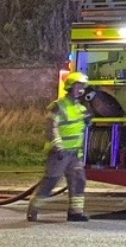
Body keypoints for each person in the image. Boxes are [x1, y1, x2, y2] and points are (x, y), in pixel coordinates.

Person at [26, 71, 92, 222]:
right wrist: (57, 145)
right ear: (70, 86)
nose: (81, 89)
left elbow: (79, 127)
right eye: (78, 86)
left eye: (82, 86)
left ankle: (75, 213)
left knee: (78, 181)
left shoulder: (80, 108)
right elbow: (51, 127)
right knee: (50, 182)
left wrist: (88, 121)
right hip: (60, 153)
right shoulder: (58, 106)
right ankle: (33, 210)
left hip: (74, 153)